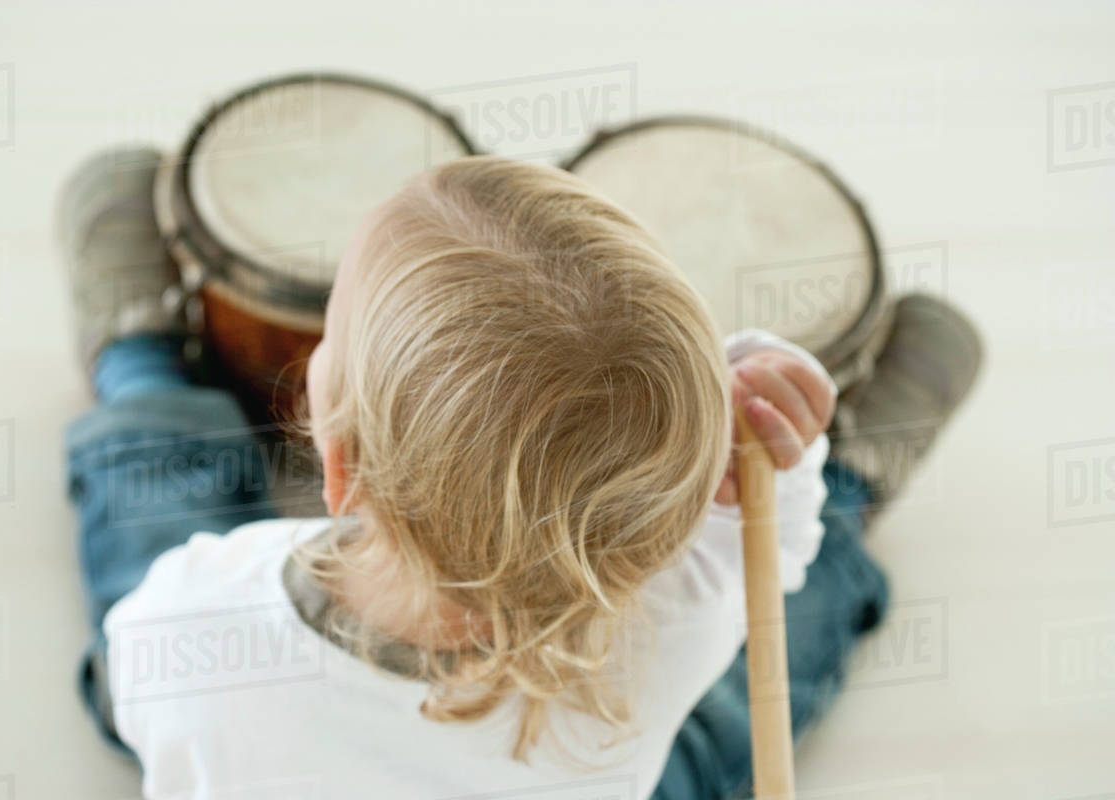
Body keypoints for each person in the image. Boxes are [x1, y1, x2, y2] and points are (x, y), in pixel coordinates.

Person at [59, 148, 981, 799]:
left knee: (145, 584)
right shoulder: (676, 622)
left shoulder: (196, 617)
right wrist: (782, 449)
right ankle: (855, 477)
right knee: (739, 698)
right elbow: (762, 547)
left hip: (227, 714)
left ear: (338, 471)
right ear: (685, 494)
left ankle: (139, 359)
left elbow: (153, 669)